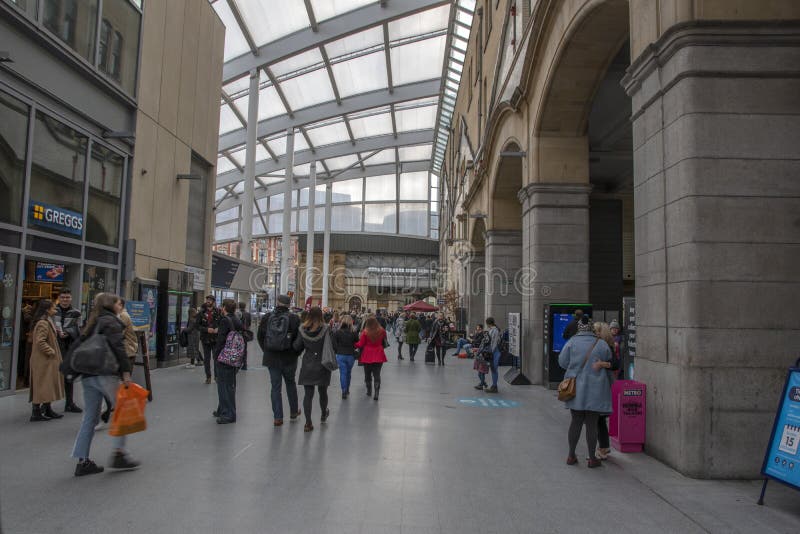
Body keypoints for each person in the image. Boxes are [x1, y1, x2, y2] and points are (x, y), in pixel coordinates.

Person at [71, 293, 138, 476]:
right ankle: (119, 453)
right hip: (105, 373)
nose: (120, 305)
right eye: (118, 302)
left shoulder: (93, 322)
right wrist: (125, 372)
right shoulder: (111, 322)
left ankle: (82, 460)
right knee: (122, 410)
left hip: (88, 374)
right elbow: (118, 348)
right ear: (111, 304)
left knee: (90, 417)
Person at [558, 315, 612, 468]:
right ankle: (592, 459)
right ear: (591, 327)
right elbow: (609, 360)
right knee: (592, 424)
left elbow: (562, 362)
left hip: (576, 390)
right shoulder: (601, 344)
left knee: (575, 422)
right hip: (596, 389)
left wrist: (573, 367)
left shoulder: (572, 342)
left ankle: (571, 455)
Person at [258, 294, 302, 427]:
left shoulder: (267, 318)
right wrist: (295, 353)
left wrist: (266, 350)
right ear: (289, 305)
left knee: (275, 387)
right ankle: (293, 412)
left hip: (271, 357)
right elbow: (300, 339)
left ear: (277, 302)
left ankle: (278, 417)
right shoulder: (294, 319)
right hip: (289, 357)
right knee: (290, 383)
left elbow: (260, 336)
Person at [292, 307, 331, 432]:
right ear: (321, 316)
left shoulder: (303, 329)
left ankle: (308, 423)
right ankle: (324, 414)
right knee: (323, 392)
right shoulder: (326, 329)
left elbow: (297, 346)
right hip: (323, 364)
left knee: (308, 395)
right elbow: (333, 346)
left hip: (308, 364)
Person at [29, 299, 65, 422]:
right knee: (42, 385)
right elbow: (40, 341)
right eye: (53, 307)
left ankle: (47, 408)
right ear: (47, 310)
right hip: (43, 360)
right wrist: (51, 352)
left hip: (46, 360)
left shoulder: (47, 321)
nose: (55, 309)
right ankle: (36, 411)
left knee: (47, 384)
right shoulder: (43, 323)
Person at [593, 320, 621, 460]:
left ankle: (603, 448)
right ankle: (603, 447)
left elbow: (616, 364)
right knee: (599, 418)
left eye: (596, 331)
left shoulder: (607, 346)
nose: (594, 334)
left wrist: (601, 364)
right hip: (600, 385)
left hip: (604, 385)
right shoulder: (599, 345)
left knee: (599, 418)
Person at [213, 299, 243, 424]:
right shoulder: (237, 320)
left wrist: (216, 355)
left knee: (224, 386)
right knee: (229, 384)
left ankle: (228, 414)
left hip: (224, 357)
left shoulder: (225, 320)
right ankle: (222, 409)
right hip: (234, 357)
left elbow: (221, 340)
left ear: (224, 307)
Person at [54, 288, 82, 413]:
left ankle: (69, 403)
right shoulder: (52, 311)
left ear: (71, 298)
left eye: (67, 297)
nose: (65, 300)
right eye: (63, 297)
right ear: (59, 298)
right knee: (53, 376)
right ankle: (46, 404)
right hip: (54, 346)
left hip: (68, 346)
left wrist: (68, 333)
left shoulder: (76, 313)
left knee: (68, 376)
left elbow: (78, 330)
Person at [355, 316, 388, 401]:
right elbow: (385, 341)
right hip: (379, 354)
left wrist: (353, 344)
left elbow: (360, 344)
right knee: (377, 374)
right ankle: (376, 393)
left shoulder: (365, 332)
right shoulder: (382, 331)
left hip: (367, 355)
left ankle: (369, 390)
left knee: (367, 374)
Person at [332, 314, 358, 399]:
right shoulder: (354, 332)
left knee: (342, 373)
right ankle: (347, 389)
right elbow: (357, 343)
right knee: (348, 372)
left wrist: (337, 350)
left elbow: (334, 344)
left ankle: (343, 390)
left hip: (340, 355)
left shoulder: (338, 332)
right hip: (350, 355)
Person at [197, 296, 221, 384]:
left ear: (213, 302)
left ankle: (217, 376)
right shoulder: (201, 312)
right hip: (205, 339)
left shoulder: (218, 312)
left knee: (216, 358)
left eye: (210, 300)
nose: (208, 301)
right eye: (207, 300)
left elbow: (222, 323)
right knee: (206, 359)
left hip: (215, 339)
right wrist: (206, 329)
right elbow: (197, 326)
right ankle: (208, 377)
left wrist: (218, 328)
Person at [483, 317, 502, 393]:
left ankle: (494, 386)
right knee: (493, 369)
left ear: (488, 323)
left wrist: (489, 352)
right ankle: (494, 385)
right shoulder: (493, 330)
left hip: (494, 352)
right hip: (493, 351)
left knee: (494, 369)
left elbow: (493, 343)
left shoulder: (494, 331)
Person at [237, 302, 252, 370]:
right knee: (245, 349)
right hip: (245, 333)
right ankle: (245, 364)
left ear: (239, 306)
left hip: (239, 333)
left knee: (238, 349)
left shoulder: (237, 314)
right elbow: (249, 323)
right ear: (245, 306)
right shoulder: (248, 314)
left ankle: (238, 363)